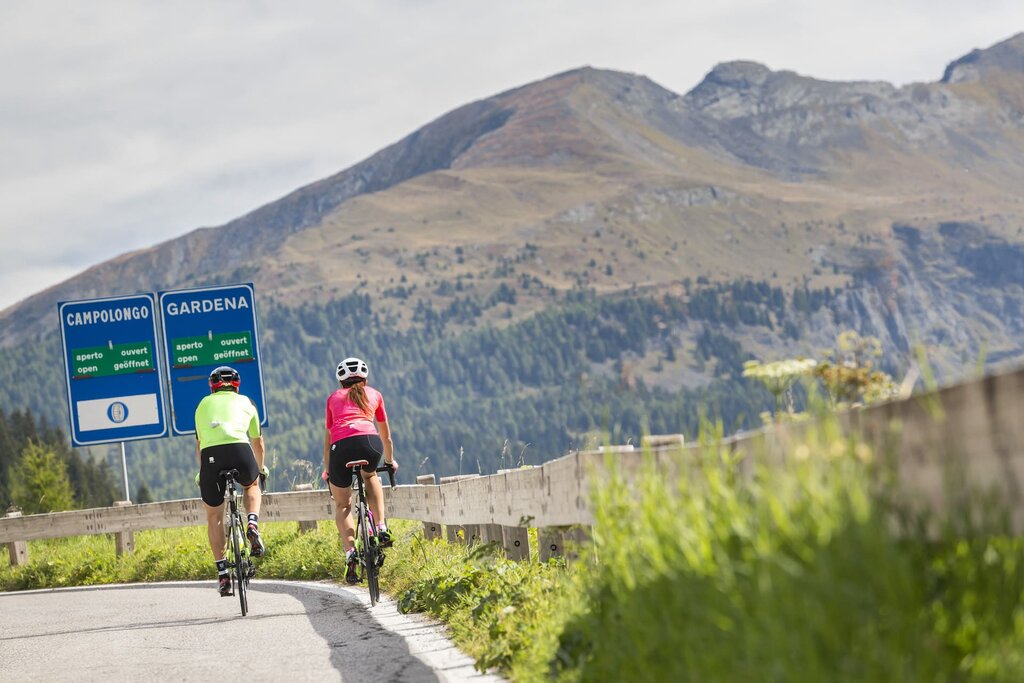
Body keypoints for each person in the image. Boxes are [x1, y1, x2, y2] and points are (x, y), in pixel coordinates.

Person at [322, 357, 397, 584]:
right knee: (371, 475)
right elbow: (386, 436)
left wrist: (328, 471)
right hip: (370, 443)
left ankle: (351, 554)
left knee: (343, 505)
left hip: (341, 447)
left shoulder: (333, 398)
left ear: (340, 381)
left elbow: (328, 441)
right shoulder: (374, 394)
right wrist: (390, 461)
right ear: (365, 378)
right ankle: (381, 527)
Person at [195, 365, 268, 596]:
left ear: (212, 386)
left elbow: (200, 444)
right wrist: (260, 468)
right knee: (252, 485)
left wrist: (202, 470)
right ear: (236, 385)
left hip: (211, 457)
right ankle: (253, 523)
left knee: (214, 516)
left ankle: (223, 575)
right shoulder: (247, 402)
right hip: (240, 450)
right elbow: (258, 442)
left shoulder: (202, 405)